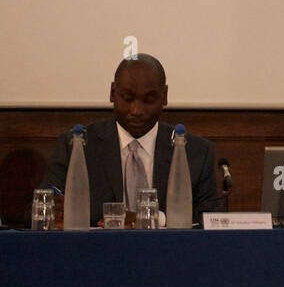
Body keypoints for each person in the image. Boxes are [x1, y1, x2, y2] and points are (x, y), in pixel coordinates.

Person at [43, 54, 224, 225]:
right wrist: (53, 212)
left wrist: (151, 219)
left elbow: (211, 220)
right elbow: (35, 213)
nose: (136, 110)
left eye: (148, 100)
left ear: (165, 96)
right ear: (113, 93)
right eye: (128, 98)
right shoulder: (77, 146)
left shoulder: (195, 151)